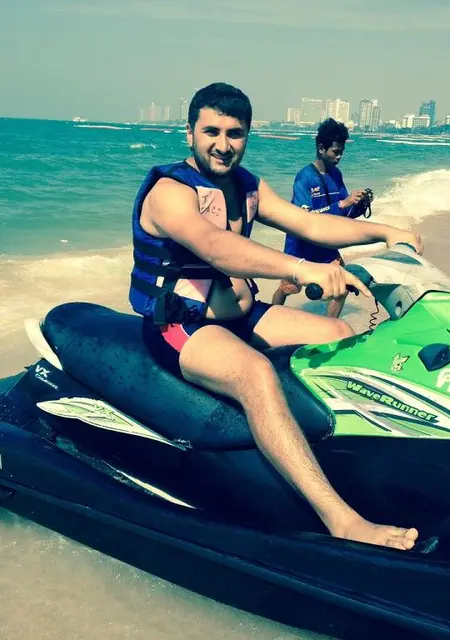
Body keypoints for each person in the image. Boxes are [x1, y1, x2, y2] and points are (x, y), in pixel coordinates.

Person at [129, 82, 422, 551]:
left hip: (242, 318)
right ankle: (341, 519)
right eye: (211, 132)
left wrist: (385, 232)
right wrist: (303, 268)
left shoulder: (247, 186)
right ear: (189, 133)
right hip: (182, 325)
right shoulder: (170, 192)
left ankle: (343, 457)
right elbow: (215, 246)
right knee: (256, 374)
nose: (223, 144)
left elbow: (310, 223)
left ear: (247, 136)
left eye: (235, 133)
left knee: (339, 333)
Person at [272, 118, 373, 317]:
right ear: (321, 148)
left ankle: (330, 325)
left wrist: (359, 206)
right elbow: (304, 217)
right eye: (336, 152)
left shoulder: (336, 175)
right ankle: (271, 317)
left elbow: (343, 215)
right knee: (287, 288)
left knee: (341, 284)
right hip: (300, 247)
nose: (339, 156)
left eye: (342, 152)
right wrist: (342, 204)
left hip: (326, 244)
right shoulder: (304, 177)